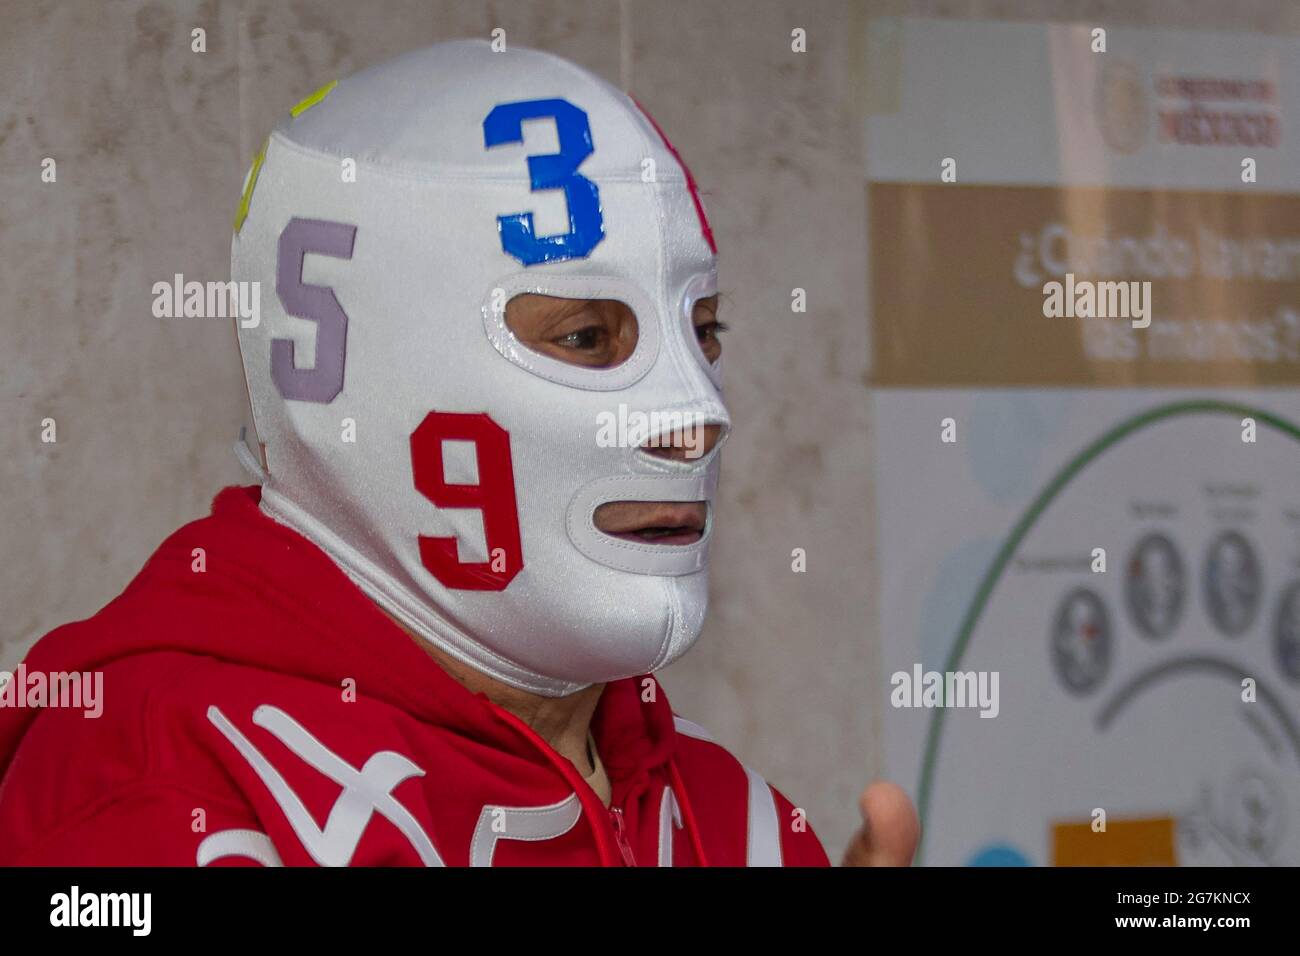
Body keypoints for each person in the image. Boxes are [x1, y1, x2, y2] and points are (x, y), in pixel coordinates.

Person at [0, 40, 917, 867]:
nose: (699, 413)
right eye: (590, 336)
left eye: (703, 333)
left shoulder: (725, 817)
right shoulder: (158, 790)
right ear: (364, 374)